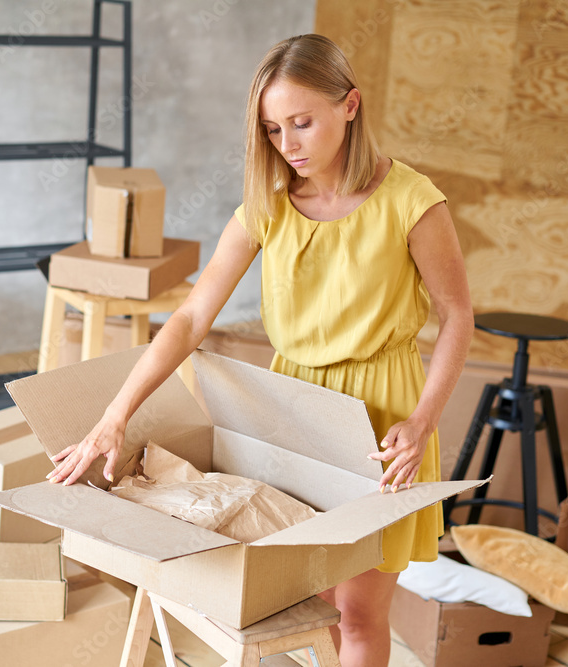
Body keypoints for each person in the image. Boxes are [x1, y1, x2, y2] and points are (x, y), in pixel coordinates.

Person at [46, 34, 473, 667]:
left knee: (357, 611)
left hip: (383, 417)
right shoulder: (269, 205)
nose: (287, 145)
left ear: (350, 106)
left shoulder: (412, 202)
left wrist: (425, 416)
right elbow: (191, 317)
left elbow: (457, 314)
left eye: (301, 123)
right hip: (294, 409)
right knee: (299, 598)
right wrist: (114, 417)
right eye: (273, 130)